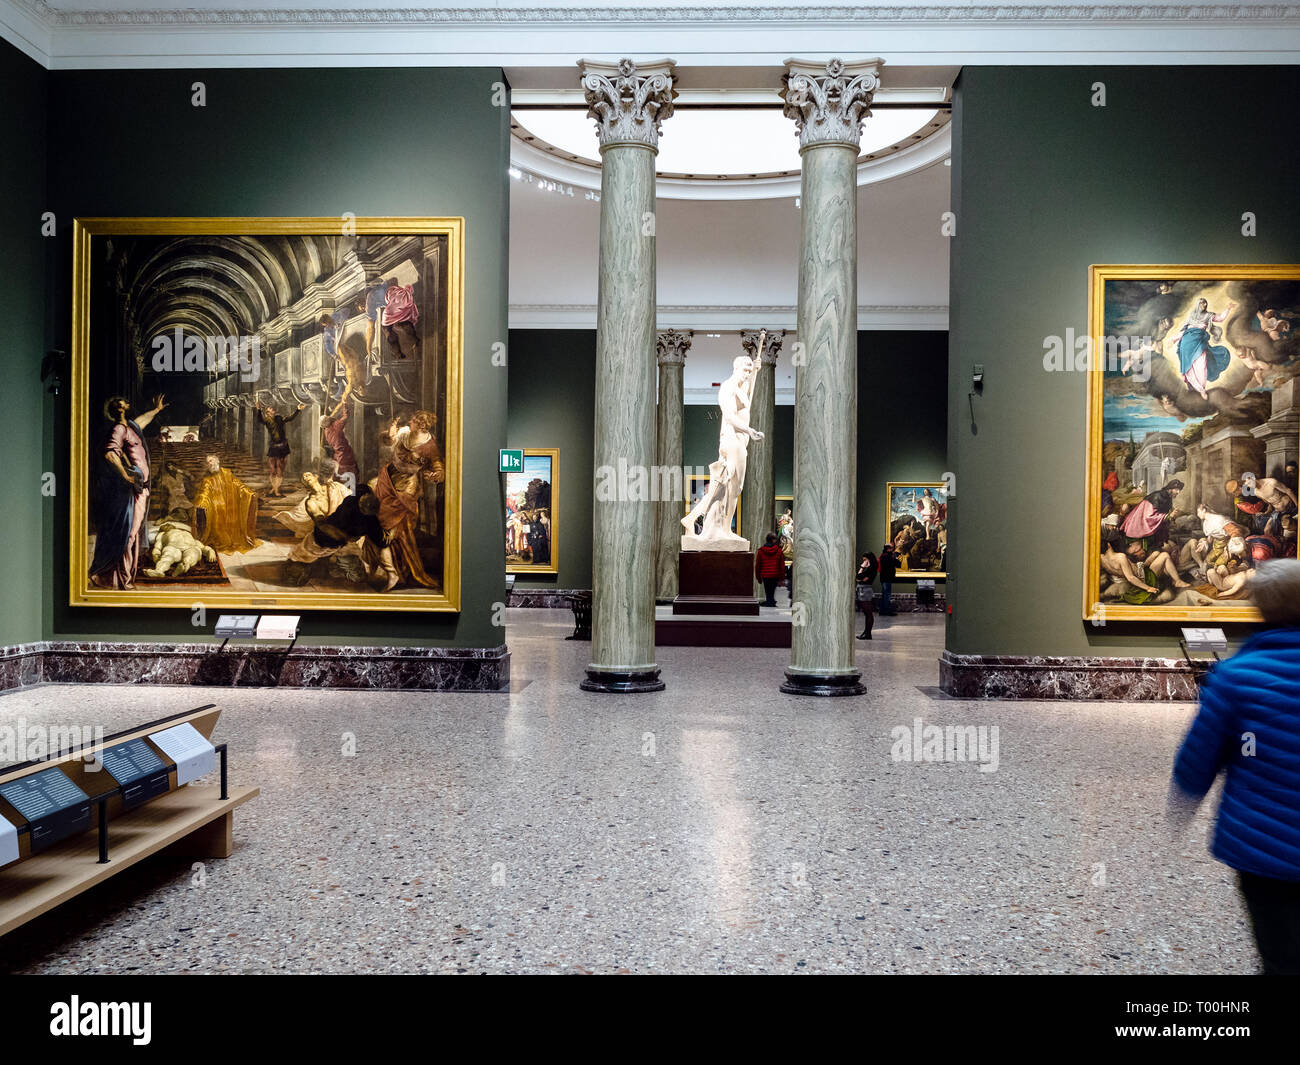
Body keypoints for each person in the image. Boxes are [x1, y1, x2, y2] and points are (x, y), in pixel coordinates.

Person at [1170, 559, 1300, 974]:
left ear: (1260, 608)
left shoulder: (1236, 676)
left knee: (1280, 956)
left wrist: (1183, 799)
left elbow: (1199, 757)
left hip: (1262, 847)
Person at [89, 393, 166, 589]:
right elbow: (110, 453)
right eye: (124, 402)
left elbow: (143, 421)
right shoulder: (118, 429)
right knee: (128, 534)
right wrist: (126, 475)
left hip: (140, 488)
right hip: (130, 491)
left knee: (132, 533)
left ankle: (120, 577)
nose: (128, 402)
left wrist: (156, 410)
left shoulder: (130, 426)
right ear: (120, 409)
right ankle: (120, 579)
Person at [373, 409, 444, 591]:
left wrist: (436, 473)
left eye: (413, 420)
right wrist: (390, 433)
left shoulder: (429, 445)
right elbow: (388, 441)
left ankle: (402, 570)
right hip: (388, 477)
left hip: (407, 486)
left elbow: (437, 465)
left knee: (396, 525)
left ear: (421, 425)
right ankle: (388, 569)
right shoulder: (405, 432)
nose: (410, 421)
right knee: (380, 521)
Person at [193, 454, 261, 553]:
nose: (209, 464)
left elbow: (237, 484)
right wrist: (202, 503)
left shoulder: (227, 473)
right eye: (207, 462)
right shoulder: (206, 478)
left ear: (217, 461)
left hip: (230, 503)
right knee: (217, 516)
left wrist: (248, 493)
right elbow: (204, 493)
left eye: (211, 461)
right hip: (215, 505)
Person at [256, 398, 306, 498]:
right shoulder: (266, 420)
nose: (273, 410)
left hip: (283, 446)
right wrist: (258, 409)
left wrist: (298, 410)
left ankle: (276, 489)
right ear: (267, 412)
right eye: (271, 409)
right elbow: (259, 419)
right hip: (273, 447)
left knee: (280, 470)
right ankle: (275, 488)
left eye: (273, 409)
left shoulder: (279, 418)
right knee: (272, 470)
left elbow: (290, 418)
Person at [320, 405, 358, 480]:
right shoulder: (336, 425)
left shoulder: (326, 431)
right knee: (348, 471)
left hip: (337, 454)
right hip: (345, 453)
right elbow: (346, 416)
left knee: (339, 471)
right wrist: (344, 406)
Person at [754, 533, 785, 608]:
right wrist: (782, 578)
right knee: (772, 590)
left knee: (767, 590)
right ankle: (770, 602)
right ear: (773, 540)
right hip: (775, 574)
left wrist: (758, 577)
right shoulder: (779, 551)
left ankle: (769, 601)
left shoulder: (761, 551)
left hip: (765, 575)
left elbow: (758, 565)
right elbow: (782, 566)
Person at [856, 552, 878, 640]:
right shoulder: (869, 569)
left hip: (865, 590)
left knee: (868, 612)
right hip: (862, 589)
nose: (864, 562)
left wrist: (861, 567)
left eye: (865, 560)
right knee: (866, 612)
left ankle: (868, 633)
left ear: (869, 559)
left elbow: (859, 576)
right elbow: (859, 578)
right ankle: (866, 632)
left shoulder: (871, 569)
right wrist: (860, 577)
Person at [879, 544, 898, 615]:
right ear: (888, 549)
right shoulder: (887, 556)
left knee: (885, 594)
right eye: (891, 548)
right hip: (887, 578)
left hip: (884, 578)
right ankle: (886, 610)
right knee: (887, 595)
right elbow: (897, 564)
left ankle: (883, 610)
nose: (892, 550)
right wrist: (895, 557)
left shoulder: (883, 556)